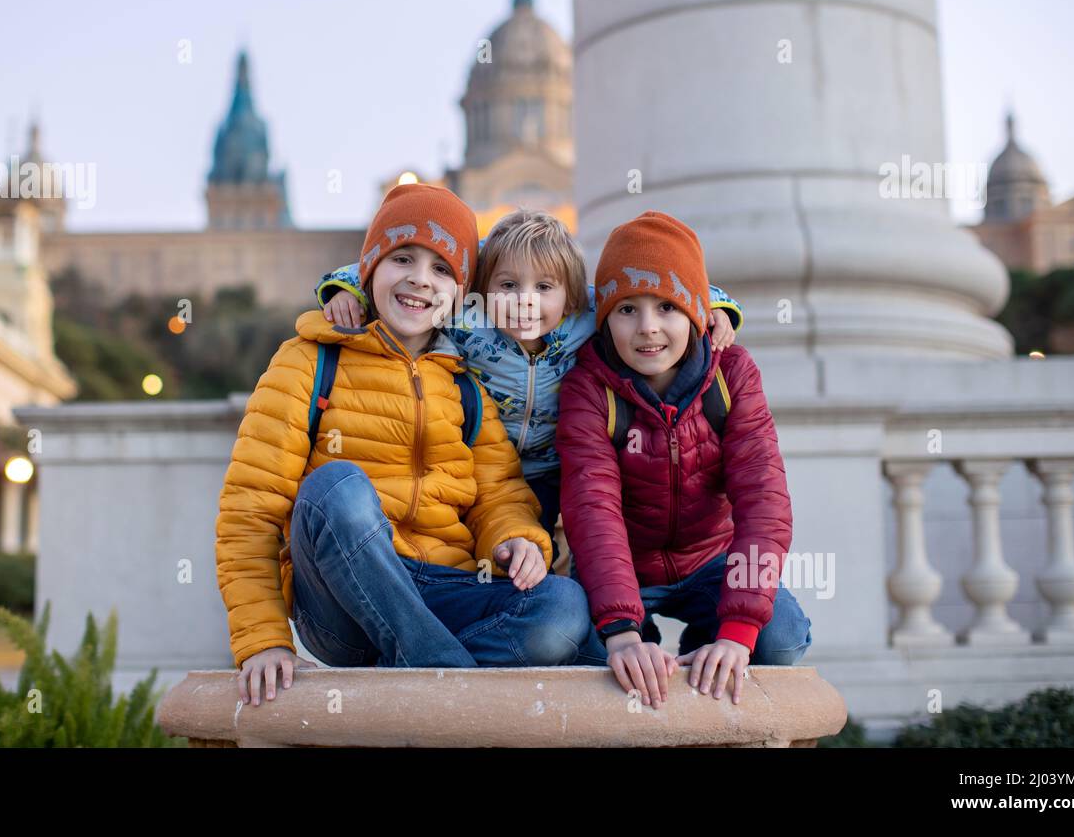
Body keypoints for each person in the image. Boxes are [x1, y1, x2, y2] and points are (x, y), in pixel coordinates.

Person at [215, 183, 603, 707]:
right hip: (341, 601)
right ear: (369, 270)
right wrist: (262, 640)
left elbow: (499, 495)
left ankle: (417, 669)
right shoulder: (308, 361)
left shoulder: (467, 384)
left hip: (445, 587)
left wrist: (515, 539)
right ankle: (451, 682)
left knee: (563, 606)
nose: (421, 279)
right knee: (337, 485)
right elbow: (249, 512)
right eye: (403, 258)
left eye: (443, 269)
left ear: (462, 292)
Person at [315, 208, 744, 566]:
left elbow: (656, 280)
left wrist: (717, 307)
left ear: (571, 294)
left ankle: (592, 632)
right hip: (480, 469)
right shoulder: (465, 314)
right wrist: (345, 287)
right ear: (483, 287)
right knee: (487, 555)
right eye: (508, 286)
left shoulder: (587, 313)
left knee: (561, 557)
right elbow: (399, 270)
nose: (525, 301)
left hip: (554, 470)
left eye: (543, 288)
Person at [555, 211, 812, 710]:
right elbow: (592, 508)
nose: (648, 329)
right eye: (627, 309)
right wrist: (623, 632)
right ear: (604, 316)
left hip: (710, 562)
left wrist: (737, 631)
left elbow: (764, 499)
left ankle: (704, 647)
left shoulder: (730, 374)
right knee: (594, 657)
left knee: (779, 637)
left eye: (667, 307)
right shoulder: (588, 385)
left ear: (698, 311)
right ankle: (640, 636)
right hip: (624, 569)